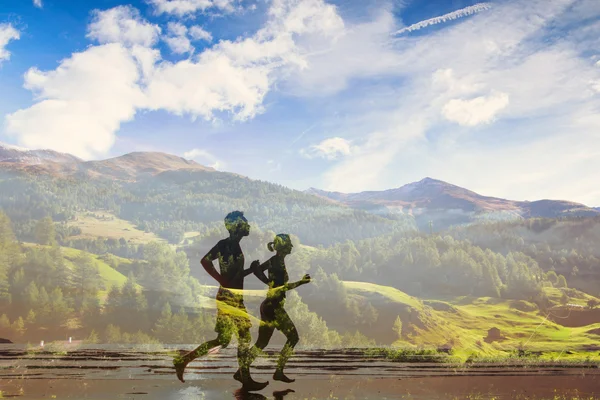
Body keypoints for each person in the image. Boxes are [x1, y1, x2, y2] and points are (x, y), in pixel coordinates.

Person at [173, 211, 268, 391]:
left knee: (223, 339)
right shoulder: (226, 245)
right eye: (245, 223)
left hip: (231, 297)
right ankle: (243, 376)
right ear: (237, 226)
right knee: (244, 336)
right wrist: (220, 280)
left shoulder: (234, 246)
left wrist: (253, 270)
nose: (248, 225)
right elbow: (205, 261)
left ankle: (184, 360)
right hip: (230, 299)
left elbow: (234, 275)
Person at [235, 234, 311, 384]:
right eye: (289, 244)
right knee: (293, 337)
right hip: (275, 308)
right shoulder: (278, 264)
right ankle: (279, 371)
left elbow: (257, 270)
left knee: (262, 342)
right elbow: (283, 287)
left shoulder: (275, 261)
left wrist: (267, 282)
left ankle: (241, 371)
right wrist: (301, 282)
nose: (291, 247)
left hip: (268, 306)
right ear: (283, 247)